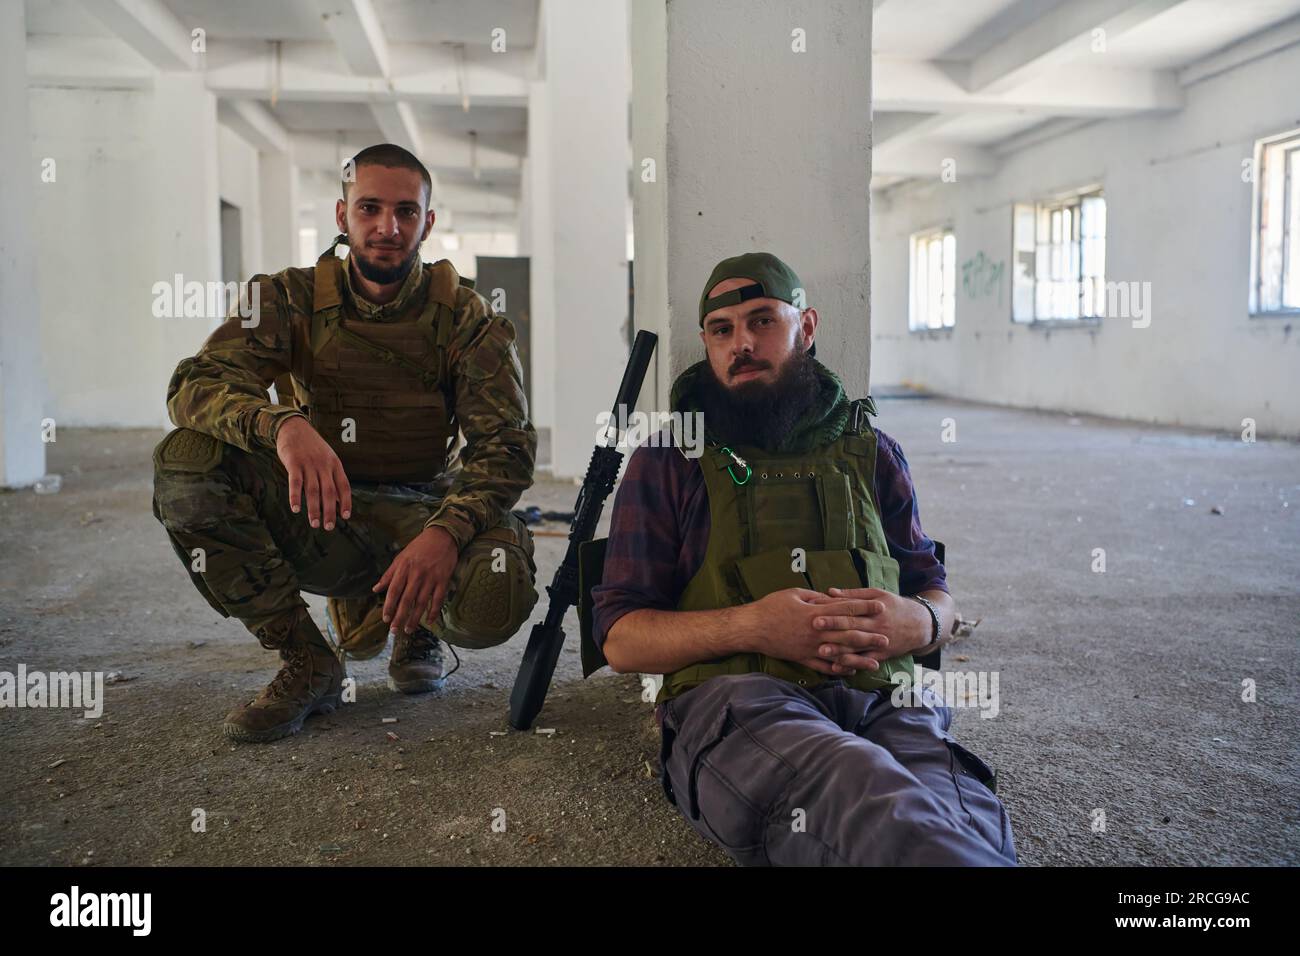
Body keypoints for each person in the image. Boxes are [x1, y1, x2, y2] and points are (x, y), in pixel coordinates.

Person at [591, 252, 1017, 865]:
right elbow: (623, 641)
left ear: (807, 326)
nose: (742, 343)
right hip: (740, 701)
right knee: (862, 790)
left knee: (966, 815)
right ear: (707, 344)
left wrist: (918, 622)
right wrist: (753, 626)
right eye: (723, 330)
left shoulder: (873, 452)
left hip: (883, 698)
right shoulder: (668, 460)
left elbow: (935, 591)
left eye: (763, 321)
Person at [152, 144, 538, 743]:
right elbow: (194, 385)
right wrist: (281, 425)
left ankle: (416, 621)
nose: (388, 227)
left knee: (494, 588)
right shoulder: (287, 298)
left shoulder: (467, 318)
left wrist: (448, 531)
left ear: (428, 223)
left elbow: (506, 448)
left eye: (407, 212)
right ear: (342, 215)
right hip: (323, 510)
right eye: (370, 208)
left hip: (420, 516)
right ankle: (307, 660)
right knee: (186, 462)